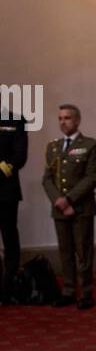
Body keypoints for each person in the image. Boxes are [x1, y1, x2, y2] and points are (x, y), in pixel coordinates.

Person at [41, 104, 96, 309]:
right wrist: (58, 200)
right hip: (59, 209)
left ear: (77, 121)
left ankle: (85, 294)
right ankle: (68, 291)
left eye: (67, 118)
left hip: (81, 208)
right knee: (65, 252)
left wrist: (69, 200)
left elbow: (92, 177)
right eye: (60, 118)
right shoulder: (53, 147)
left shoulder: (90, 145)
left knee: (83, 253)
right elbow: (47, 179)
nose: (62, 122)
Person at [0, 111, 28, 303]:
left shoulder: (14, 120)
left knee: (9, 238)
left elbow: (19, 157)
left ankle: (8, 287)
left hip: (5, 191)